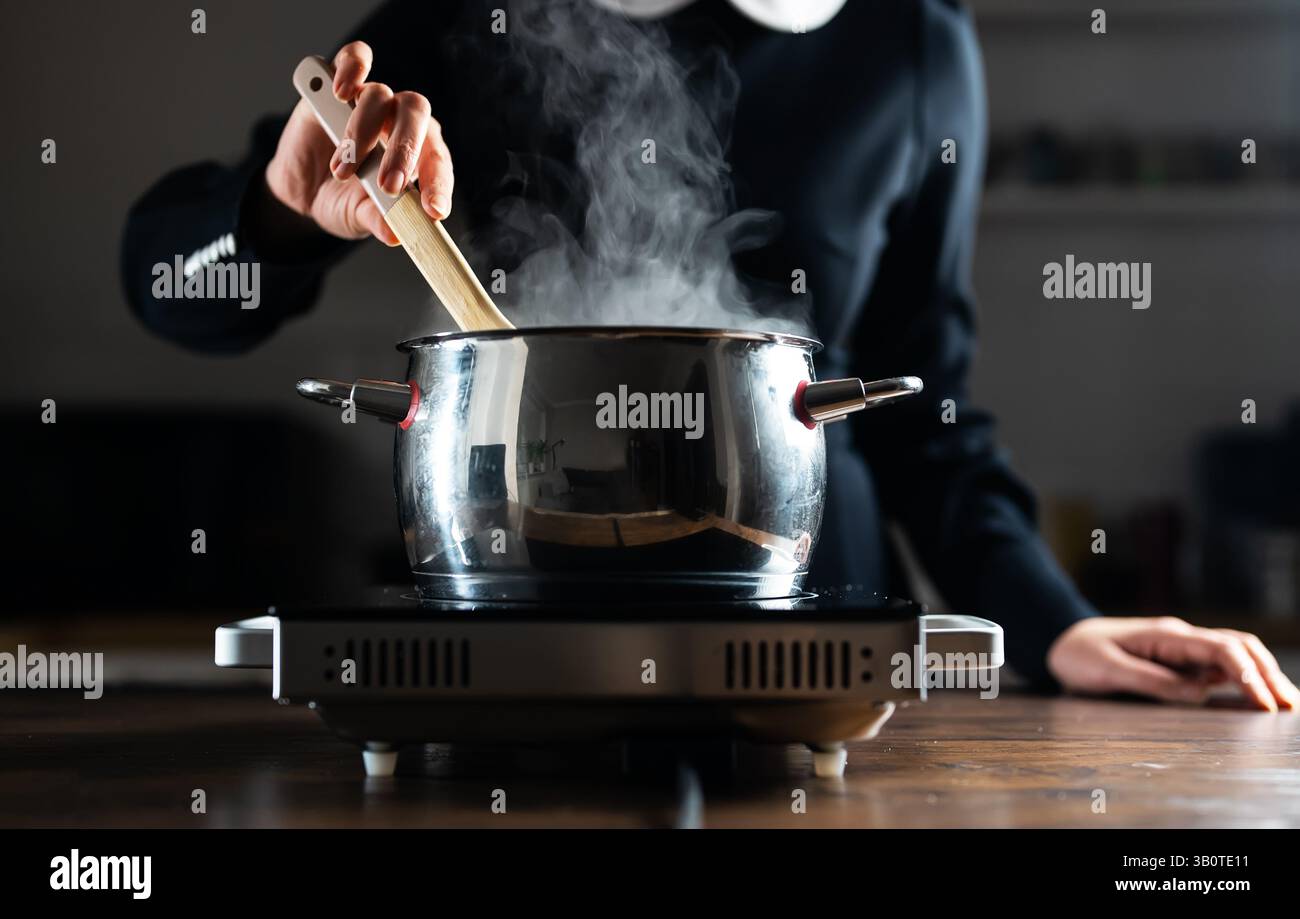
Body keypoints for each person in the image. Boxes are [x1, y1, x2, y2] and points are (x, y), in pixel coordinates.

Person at [121, 0, 1298, 710]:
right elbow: (171, 290)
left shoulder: (911, 39)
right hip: (528, 633)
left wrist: (1052, 623)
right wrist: (272, 217)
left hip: (815, 654)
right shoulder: (462, 15)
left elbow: (925, 412)